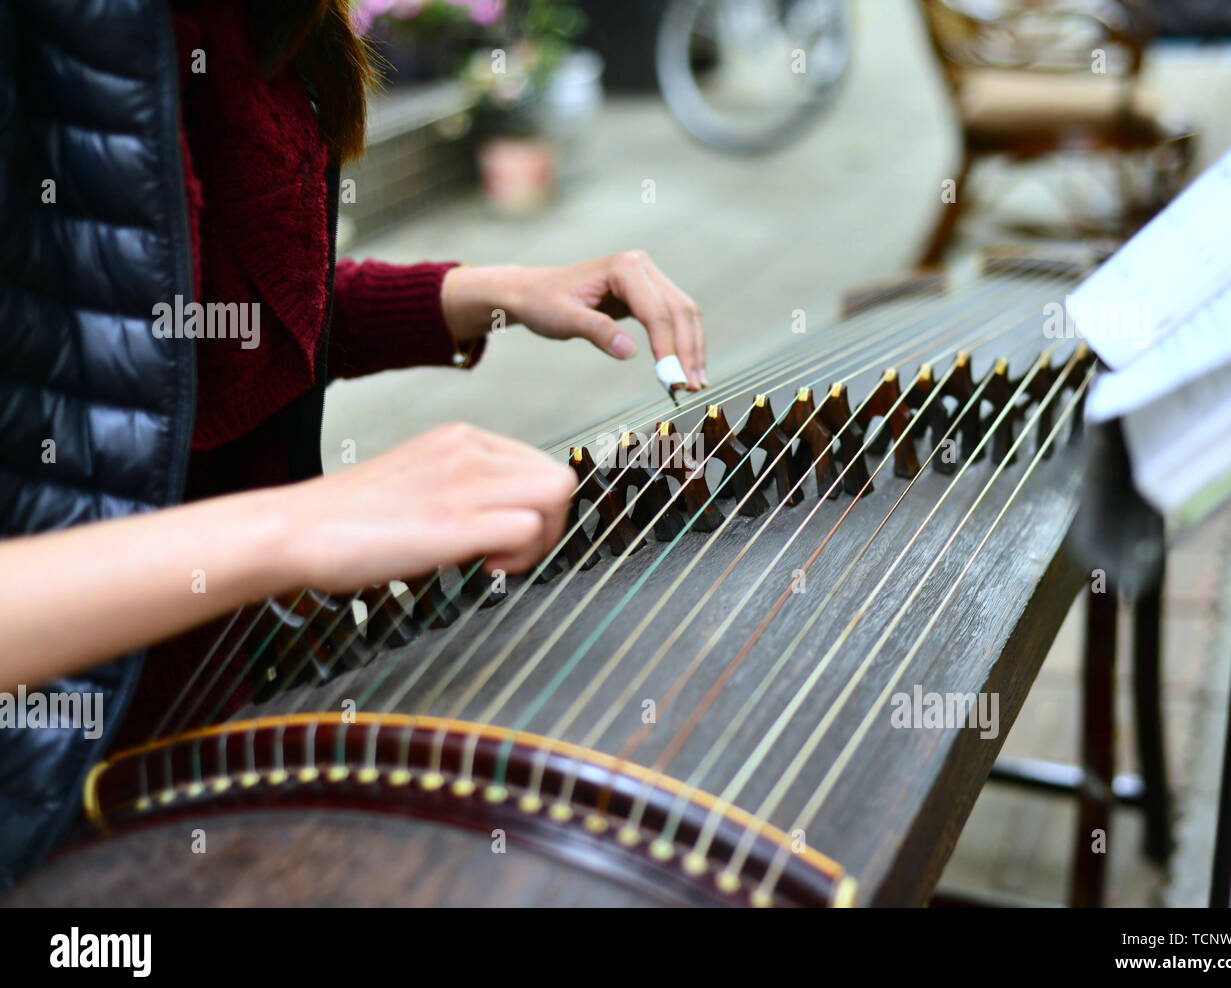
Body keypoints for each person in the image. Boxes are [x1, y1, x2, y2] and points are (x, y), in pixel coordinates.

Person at [0, 0, 705, 889]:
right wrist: (296, 527)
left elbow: (201, 331)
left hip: (227, 703)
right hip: (58, 793)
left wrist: (492, 291)